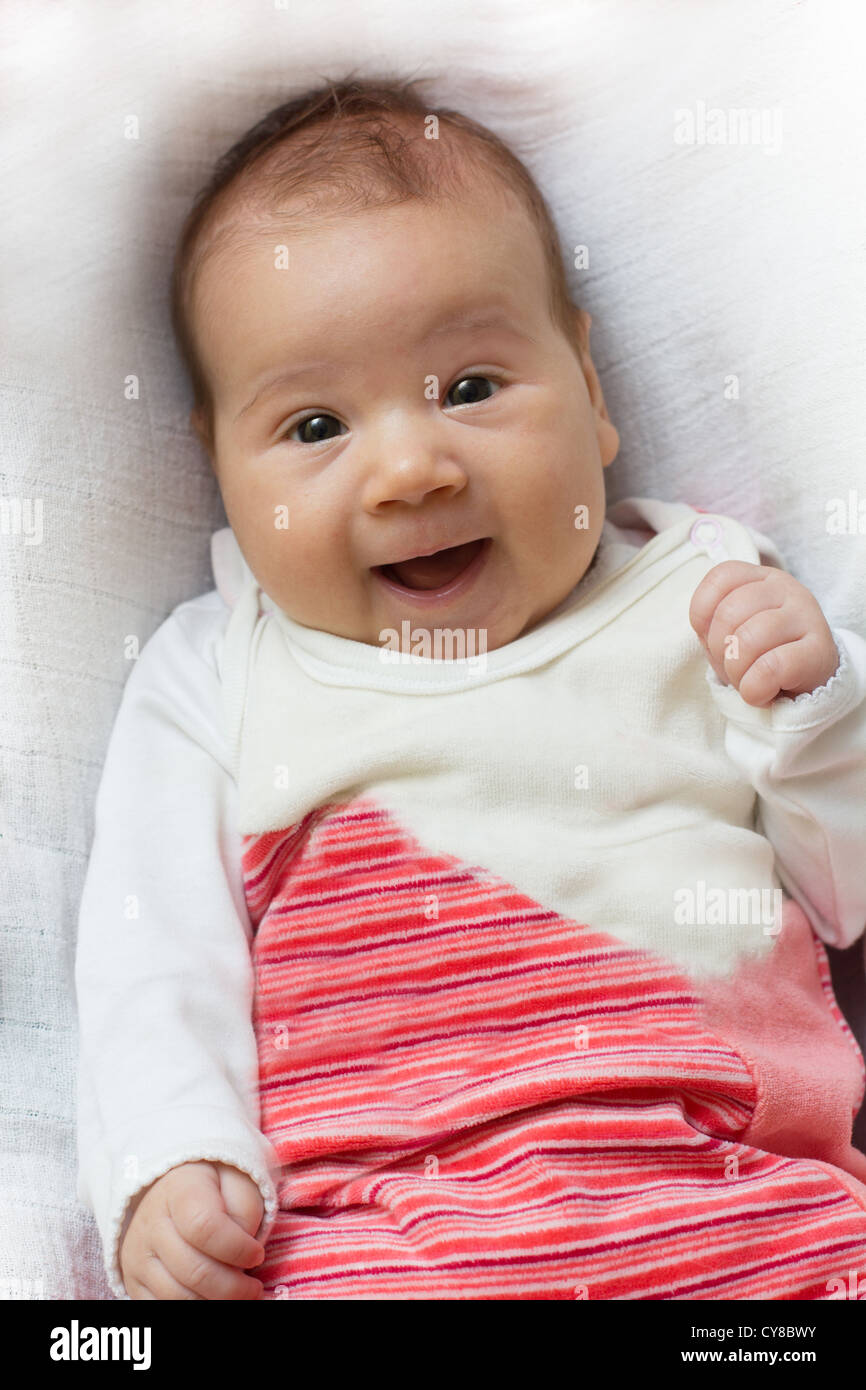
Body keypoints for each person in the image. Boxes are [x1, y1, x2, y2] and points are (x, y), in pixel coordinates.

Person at [75, 75, 866, 1300]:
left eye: (471, 389)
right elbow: (150, 957)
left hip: (730, 1215)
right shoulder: (217, 666)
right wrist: (168, 1157)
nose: (407, 467)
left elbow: (842, 892)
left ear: (594, 397)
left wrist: (817, 711)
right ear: (221, 471)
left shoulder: (702, 598)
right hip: (379, 1236)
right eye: (316, 423)